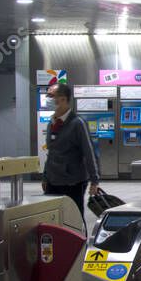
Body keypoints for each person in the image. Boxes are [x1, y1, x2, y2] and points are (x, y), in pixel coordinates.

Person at [42, 83, 99, 221]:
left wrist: (94, 180)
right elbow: (51, 152)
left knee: (75, 220)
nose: (48, 100)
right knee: (54, 220)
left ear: (63, 99)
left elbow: (89, 152)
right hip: (53, 181)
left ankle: (80, 243)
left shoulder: (77, 123)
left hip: (73, 182)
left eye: (51, 96)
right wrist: (45, 176)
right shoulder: (52, 122)